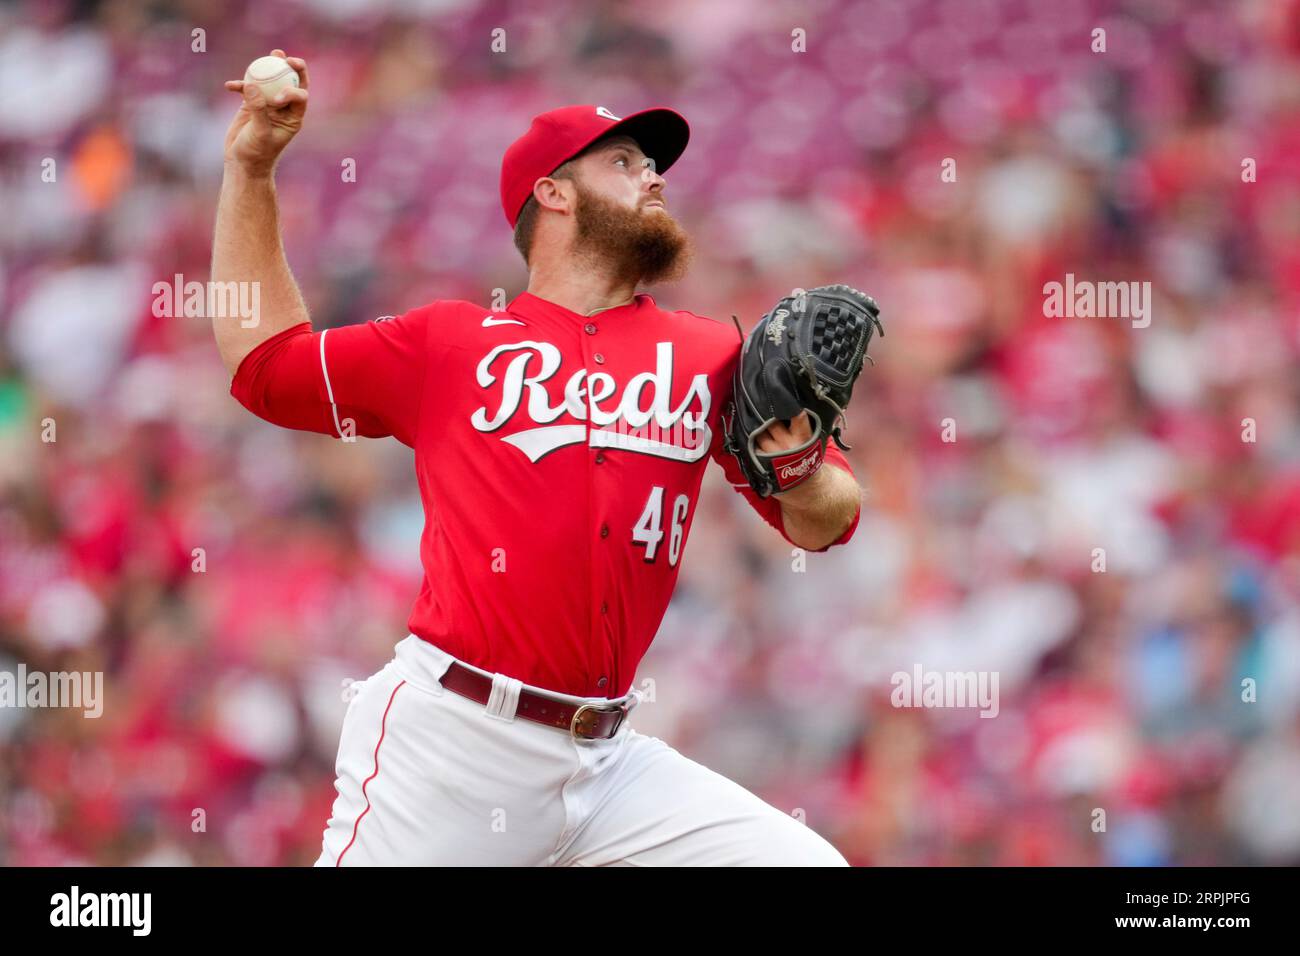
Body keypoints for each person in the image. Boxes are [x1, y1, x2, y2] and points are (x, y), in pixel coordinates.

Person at [211, 50, 861, 866]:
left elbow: (829, 522)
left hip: (610, 763)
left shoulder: (713, 355)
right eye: (623, 162)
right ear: (552, 193)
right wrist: (252, 169)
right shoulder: (450, 343)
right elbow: (263, 367)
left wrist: (799, 466)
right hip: (454, 744)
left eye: (653, 164)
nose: (653, 177)